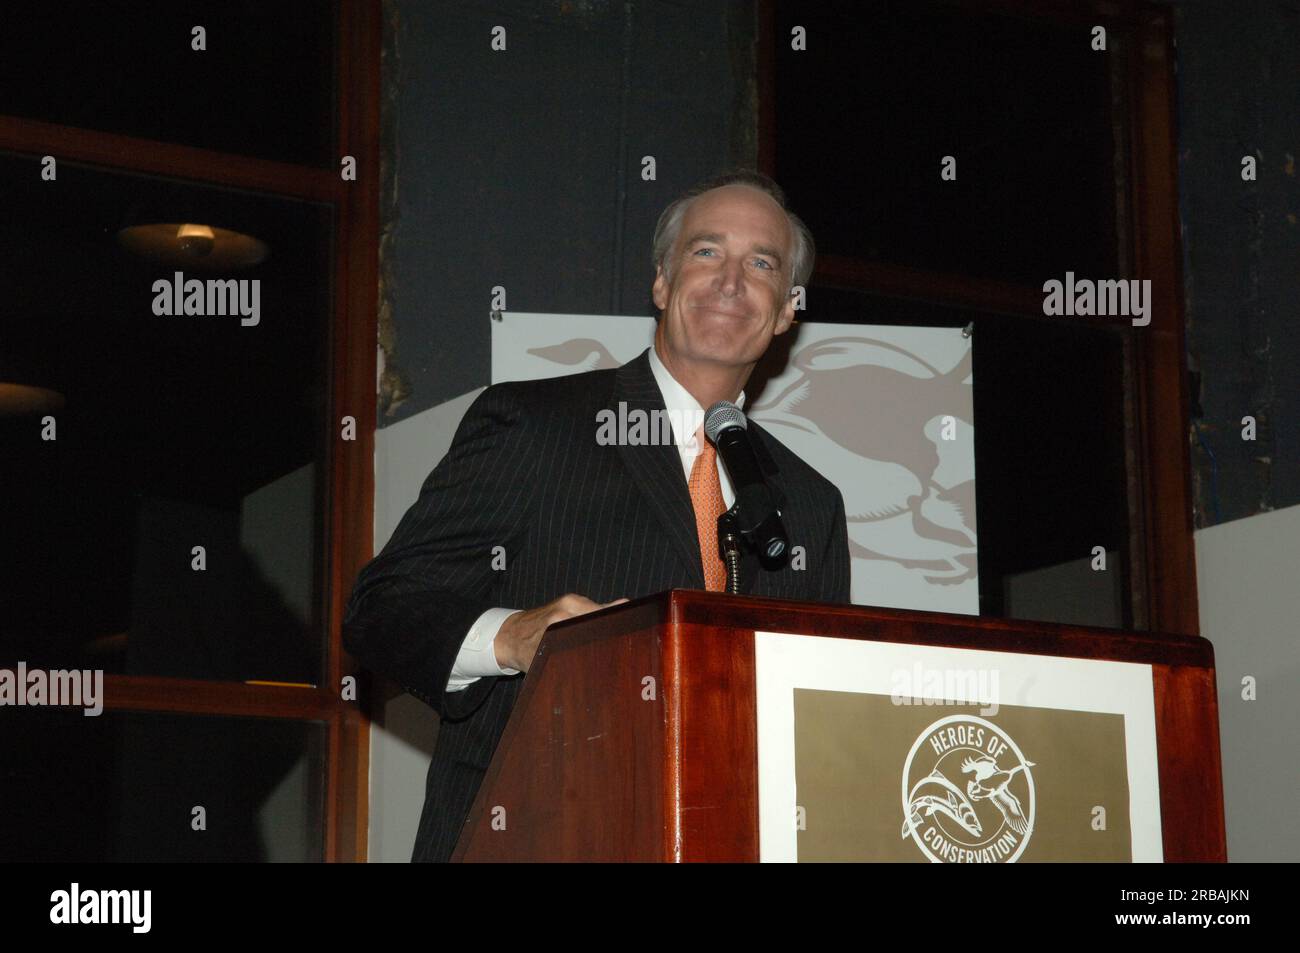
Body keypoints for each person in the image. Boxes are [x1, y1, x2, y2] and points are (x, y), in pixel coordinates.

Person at [342, 169, 852, 862]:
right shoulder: (534, 425)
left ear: (787, 309)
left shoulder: (811, 502)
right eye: (707, 252)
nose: (732, 280)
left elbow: (813, 719)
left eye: (761, 263)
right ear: (662, 284)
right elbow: (382, 609)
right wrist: (514, 636)